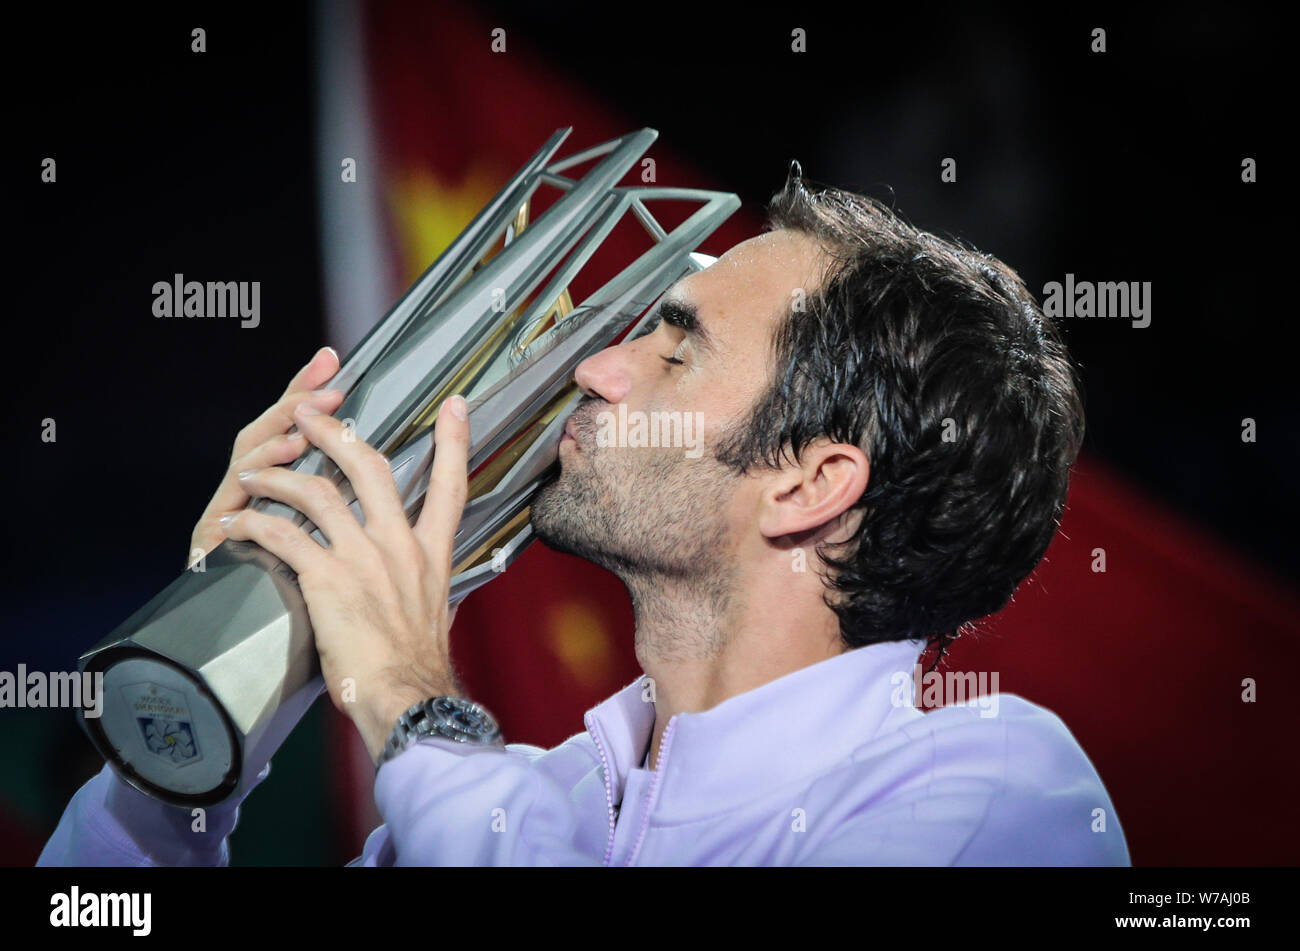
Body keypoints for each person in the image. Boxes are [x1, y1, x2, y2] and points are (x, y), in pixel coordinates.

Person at [39, 167, 1129, 866]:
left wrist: (415, 704)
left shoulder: (999, 793)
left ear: (810, 481)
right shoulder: (544, 793)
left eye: (672, 346)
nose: (596, 368)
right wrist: (231, 663)